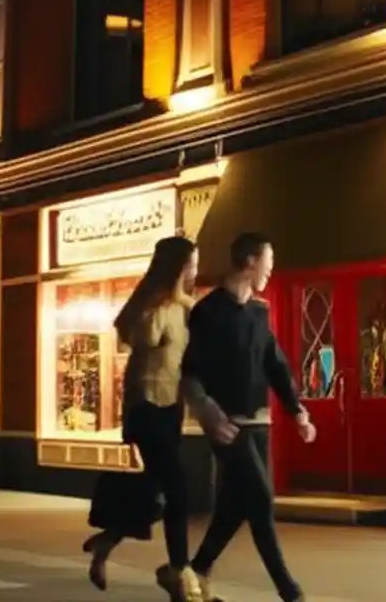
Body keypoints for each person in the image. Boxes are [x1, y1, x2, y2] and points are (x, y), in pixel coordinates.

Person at [180, 232, 316, 602]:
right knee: (260, 499)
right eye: (268, 263)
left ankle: (195, 571)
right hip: (227, 425)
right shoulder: (208, 313)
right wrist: (206, 411)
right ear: (250, 262)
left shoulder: (260, 312)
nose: (271, 271)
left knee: (235, 506)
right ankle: (290, 591)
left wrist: (298, 411)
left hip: (260, 424)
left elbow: (275, 365)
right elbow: (190, 371)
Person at [83, 235, 204, 602]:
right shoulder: (155, 308)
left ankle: (106, 541)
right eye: (192, 263)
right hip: (147, 408)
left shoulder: (186, 308)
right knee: (178, 490)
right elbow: (139, 340)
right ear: (178, 268)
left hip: (170, 408)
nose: (196, 270)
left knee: (155, 491)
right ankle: (178, 572)